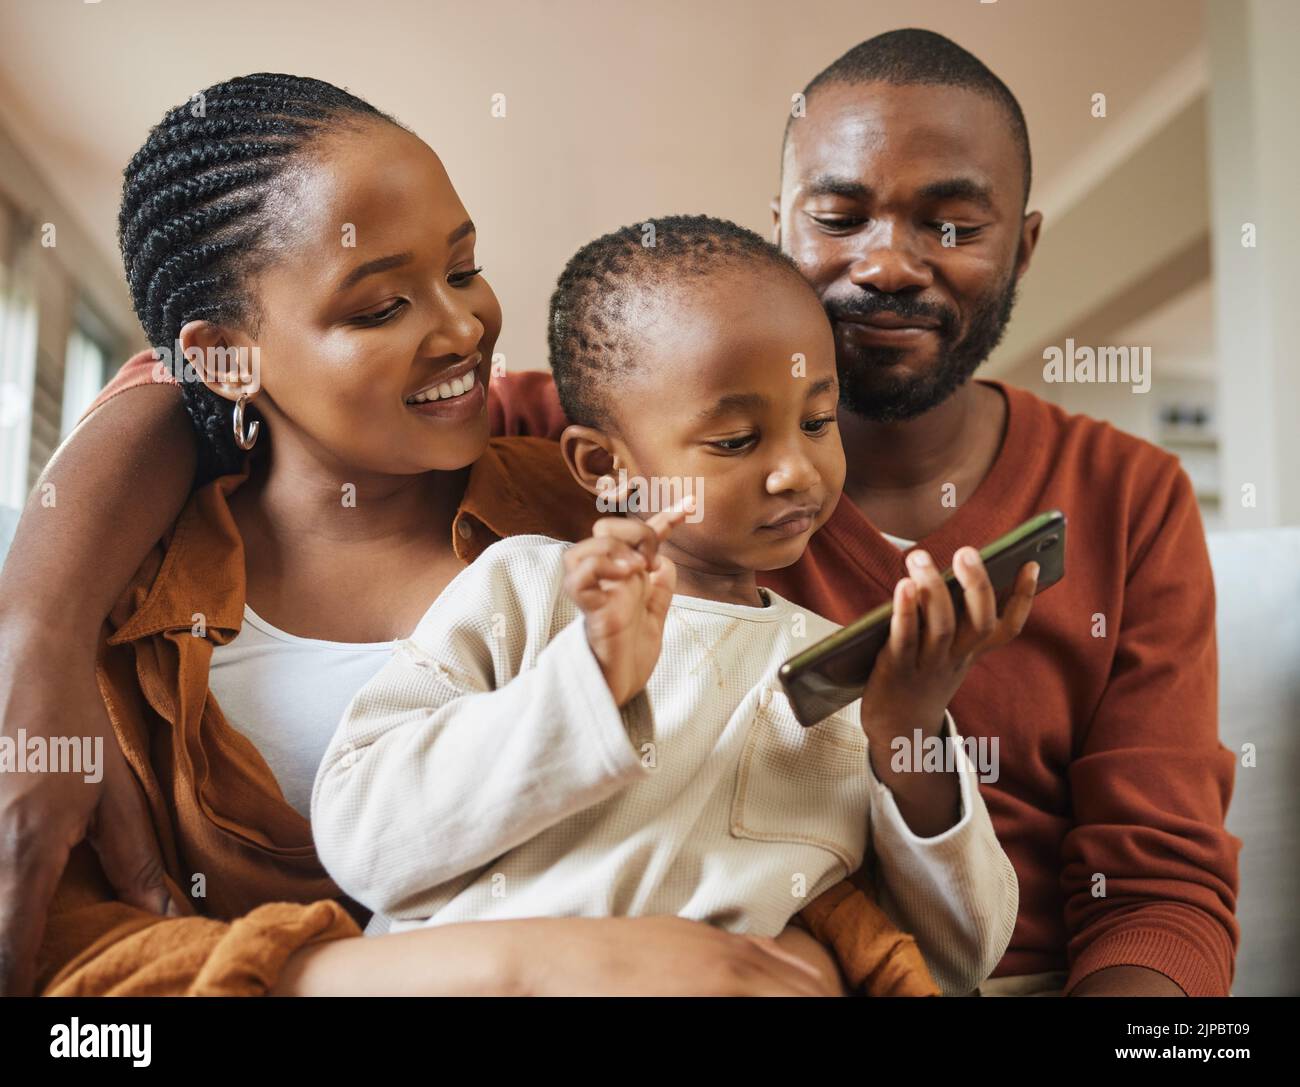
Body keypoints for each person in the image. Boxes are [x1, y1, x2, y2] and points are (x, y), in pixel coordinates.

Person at [1, 28, 1240, 997]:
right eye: (840, 213)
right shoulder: (564, 479)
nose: (889, 261)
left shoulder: (1115, 500)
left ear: (1022, 243)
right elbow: (186, 379)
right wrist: (34, 631)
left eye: (953, 224)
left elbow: (1132, 888)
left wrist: (883, 827)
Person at [1, 74, 908, 997]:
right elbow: (65, 966)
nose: (463, 326)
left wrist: (813, 950)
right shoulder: (124, 606)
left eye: (464, 268)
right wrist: (502, 967)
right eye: (380, 307)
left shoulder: (609, 510)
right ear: (228, 357)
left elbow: (774, 786)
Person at [312, 217, 1035, 996]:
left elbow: (963, 953)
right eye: (734, 440)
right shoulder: (525, 589)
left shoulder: (863, 676)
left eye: (818, 421)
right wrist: (586, 681)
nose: (796, 470)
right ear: (606, 465)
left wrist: (910, 735)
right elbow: (363, 839)